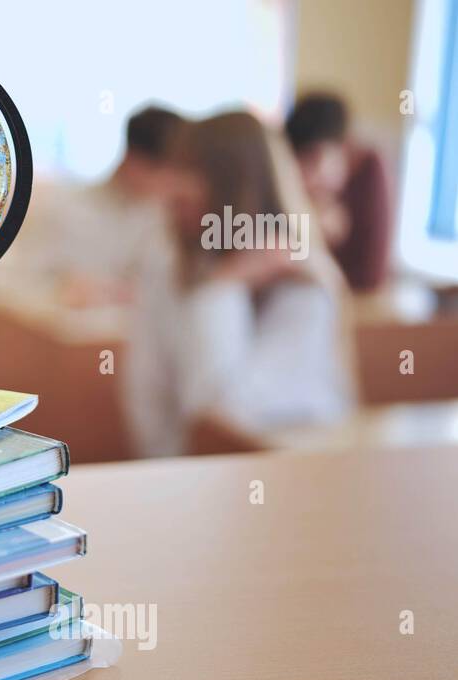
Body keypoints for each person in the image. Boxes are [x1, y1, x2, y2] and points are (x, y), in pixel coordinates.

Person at [122, 111, 355, 457]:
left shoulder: (300, 282)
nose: (171, 187)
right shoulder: (173, 262)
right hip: (187, 477)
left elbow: (221, 414)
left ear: (236, 183)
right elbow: (146, 393)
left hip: (283, 476)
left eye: (192, 172)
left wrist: (221, 288)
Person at [0, 105, 185, 311]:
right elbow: (1, 287)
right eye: (165, 172)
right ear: (134, 161)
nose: (171, 184)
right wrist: (58, 293)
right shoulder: (63, 207)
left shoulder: (162, 221)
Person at [285, 92, 392, 292]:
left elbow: (370, 275)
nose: (305, 177)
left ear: (346, 150)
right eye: (299, 163)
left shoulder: (369, 168)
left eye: (313, 160)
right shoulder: (290, 187)